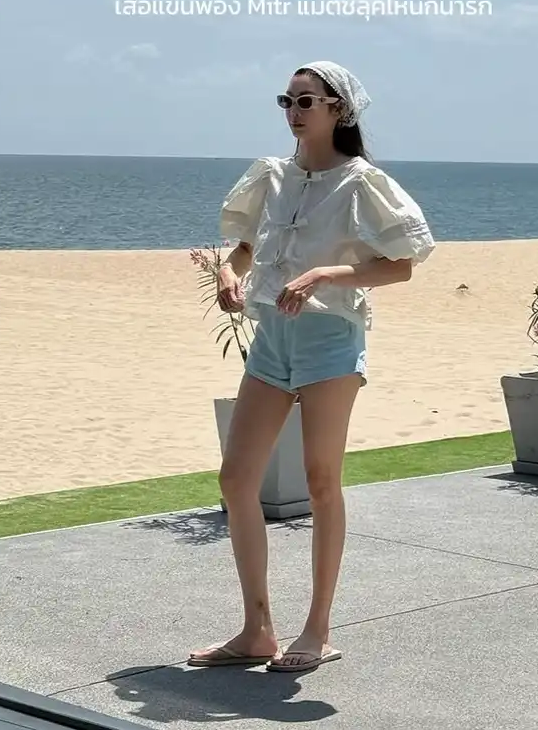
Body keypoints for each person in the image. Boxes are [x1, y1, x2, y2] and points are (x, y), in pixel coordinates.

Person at [188, 60, 436, 672]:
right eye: (287, 101)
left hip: (330, 341)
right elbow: (246, 249)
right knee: (236, 479)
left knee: (322, 481)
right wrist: (228, 274)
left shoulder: (361, 183)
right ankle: (257, 630)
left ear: (338, 110)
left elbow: (401, 266)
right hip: (272, 340)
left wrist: (327, 273)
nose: (294, 112)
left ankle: (318, 630)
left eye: (306, 101)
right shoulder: (271, 176)